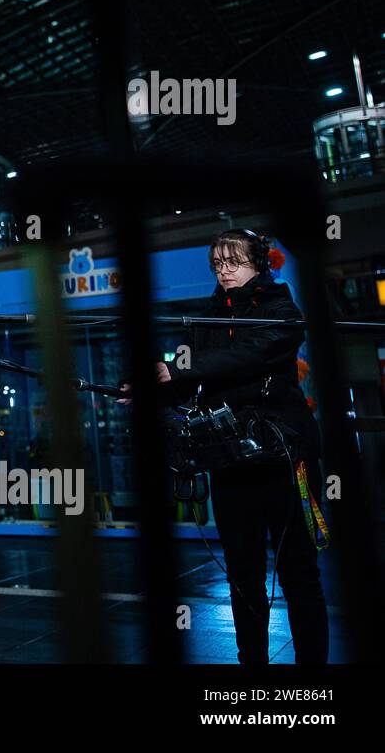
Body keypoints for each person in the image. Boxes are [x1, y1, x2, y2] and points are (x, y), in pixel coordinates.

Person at [156, 228, 329, 665]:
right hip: (231, 460)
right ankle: (252, 662)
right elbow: (187, 368)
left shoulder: (280, 308)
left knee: (299, 573)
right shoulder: (208, 315)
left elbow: (250, 355)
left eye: (233, 261)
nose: (224, 271)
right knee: (242, 576)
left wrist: (180, 372)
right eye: (217, 264)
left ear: (259, 263)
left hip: (284, 458)